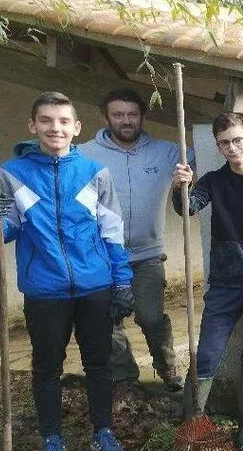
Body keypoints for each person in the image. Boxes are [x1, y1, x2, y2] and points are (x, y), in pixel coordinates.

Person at [0, 91, 133, 451]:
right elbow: (2, 234)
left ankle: (103, 431)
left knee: (99, 364)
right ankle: (53, 438)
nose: (55, 128)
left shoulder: (95, 173)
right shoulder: (13, 174)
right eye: (46, 120)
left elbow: (112, 230)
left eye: (64, 121)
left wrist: (122, 281)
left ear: (76, 128)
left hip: (94, 286)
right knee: (48, 366)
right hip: (44, 290)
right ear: (33, 126)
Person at [172, 112, 243, 447]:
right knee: (207, 354)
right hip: (224, 284)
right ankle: (192, 419)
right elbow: (187, 208)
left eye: (238, 140)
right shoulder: (212, 181)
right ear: (218, 147)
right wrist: (181, 186)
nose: (233, 147)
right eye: (225, 143)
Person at [79, 88, 185, 392]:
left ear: (141, 116)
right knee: (109, 321)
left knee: (151, 318)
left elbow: (212, 155)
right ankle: (125, 379)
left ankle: (167, 366)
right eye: (118, 114)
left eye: (132, 114)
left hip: (147, 255)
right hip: (101, 255)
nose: (126, 120)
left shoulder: (165, 152)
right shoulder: (85, 154)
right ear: (107, 117)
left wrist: (187, 178)